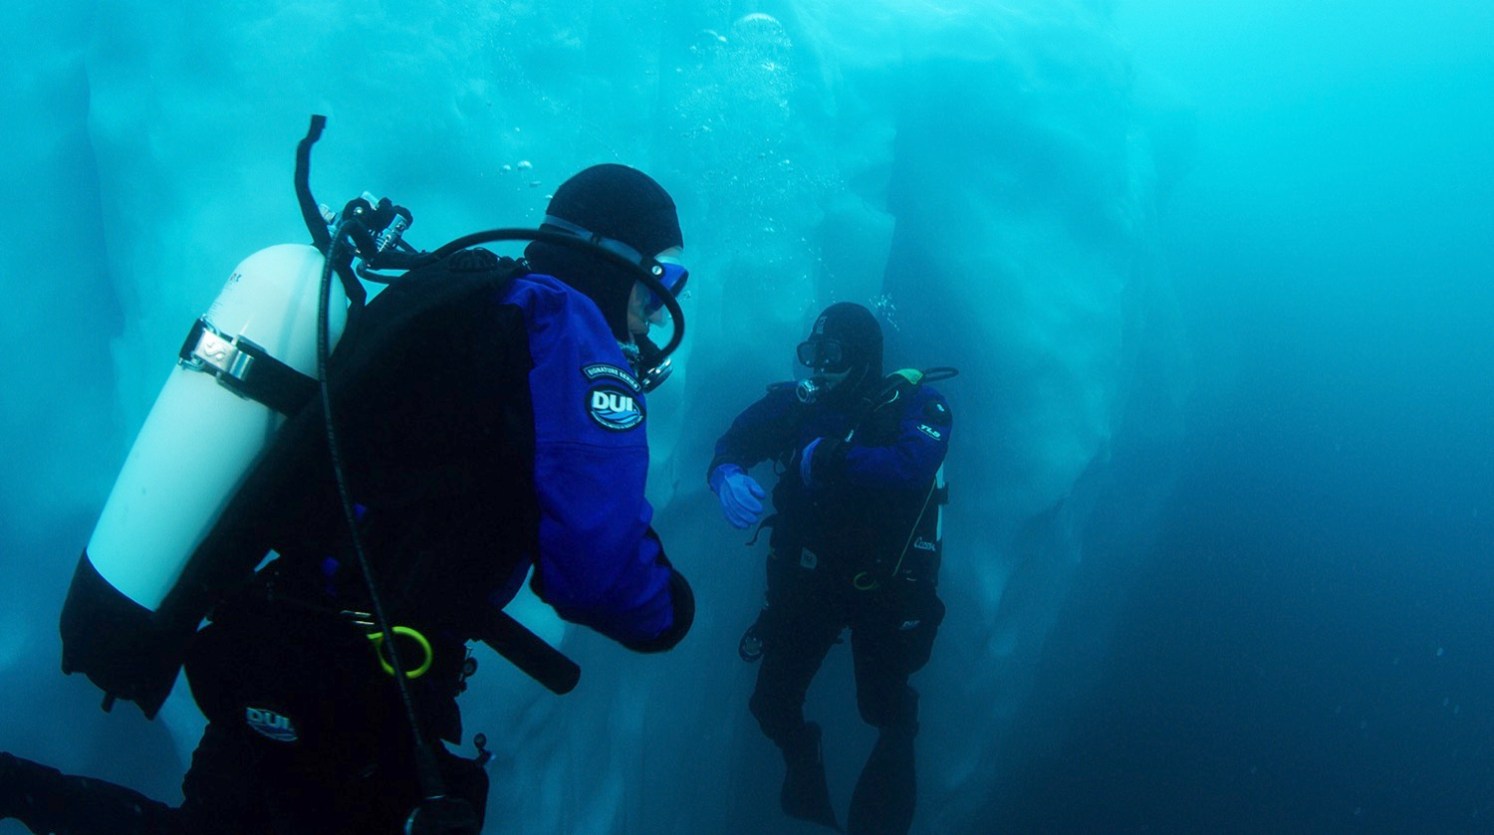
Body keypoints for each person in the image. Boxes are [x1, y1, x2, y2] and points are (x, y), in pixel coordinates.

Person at [1, 163, 695, 834]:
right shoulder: (570, 333)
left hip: (272, 638)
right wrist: (671, 609)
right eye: (660, 278)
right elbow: (599, 573)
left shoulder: (460, 292)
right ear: (609, 255)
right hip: (359, 698)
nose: (656, 309)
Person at [708, 302, 951, 835]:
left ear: (863, 359)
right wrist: (725, 475)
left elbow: (914, 466)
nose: (817, 367)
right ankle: (804, 755)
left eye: (831, 354)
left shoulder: (916, 405)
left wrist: (834, 459)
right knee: (770, 706)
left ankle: (898, 742)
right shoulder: (795, 408)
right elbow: (733, 443)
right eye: (811, 353)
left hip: (880, 589)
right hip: (807, 585)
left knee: (881, 709)